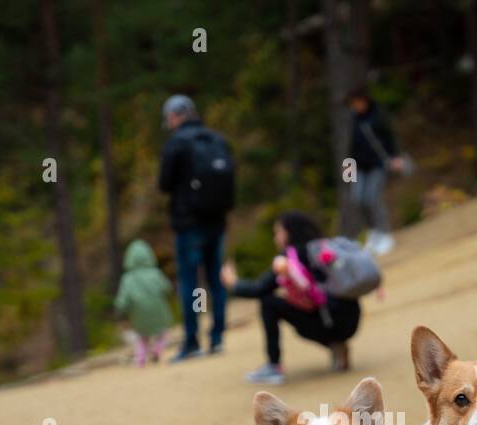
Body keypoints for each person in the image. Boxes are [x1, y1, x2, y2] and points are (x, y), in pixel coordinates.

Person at [221, 212, 360, 386]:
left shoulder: (289, 257)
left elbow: (259, 289)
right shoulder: (323, 248)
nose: (275, 238)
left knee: (269, 302)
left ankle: (273, 365)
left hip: (326, 323)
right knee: (298, 304)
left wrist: (233, 283)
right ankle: (336, 344)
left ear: (288, 233)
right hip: (351, 320)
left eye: (277, 232)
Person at [157, 94, 234, 362]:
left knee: (190, 282)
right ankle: (217, 338)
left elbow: (164, 184)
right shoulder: (217, 139)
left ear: (174, 116)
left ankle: (191, 341)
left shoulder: (177, 143)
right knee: (215, 280)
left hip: (189, 223)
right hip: (217, 220)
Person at [346, 88, 405, 257]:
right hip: (359, 166)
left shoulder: (377, 116)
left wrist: (396, 157)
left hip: (378, 164)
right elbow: (352, 146)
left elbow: (389, 138)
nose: (355, 106)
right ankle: (373, 233)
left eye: (357, 102)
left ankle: (385, 234)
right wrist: (348, 166)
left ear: (364, 100)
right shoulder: (354, 119)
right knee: (357, 199)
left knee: (372, 198)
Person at [113, 240, 174, 367]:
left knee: (141, 338)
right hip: (158, 312)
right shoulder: (155, 273)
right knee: (162, 332)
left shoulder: (127, 278)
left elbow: (122, 300)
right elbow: (167, 288)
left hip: (138, 315)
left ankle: (140, 359)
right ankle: (157, 349)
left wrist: (120, 311)